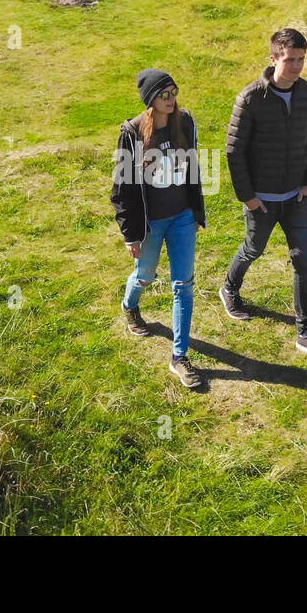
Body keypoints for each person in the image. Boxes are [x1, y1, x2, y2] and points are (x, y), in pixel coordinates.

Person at [219, 28, 307, 363]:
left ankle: (306, 332)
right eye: (290, 60)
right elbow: (233, 152)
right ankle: (229, 288)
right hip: (263, 200)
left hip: (297, 197)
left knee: (304, 262)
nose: (296, 66)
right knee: (254, 248)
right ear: (273, 58)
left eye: (301, 59)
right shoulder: (251, 98)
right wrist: (248, 197)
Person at [111, 68, 208, 388]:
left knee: (184, 286)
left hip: (181, 218)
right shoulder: (133, 132)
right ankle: (130, 306)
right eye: (163, 95)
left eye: (174, 92)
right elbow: (122, 188)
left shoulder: (186, 122)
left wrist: (196, 210)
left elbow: (195, 166)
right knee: (145, 276)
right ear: (150, 99)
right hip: (150, 224)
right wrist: (130, 234)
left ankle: (179, 356)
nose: (171, 99)